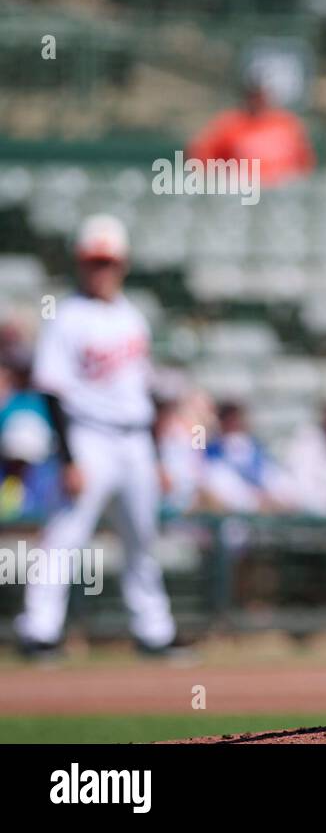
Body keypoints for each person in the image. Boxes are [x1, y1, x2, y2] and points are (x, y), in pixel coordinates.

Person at [15, 215, 182, 658]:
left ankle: (154, 632)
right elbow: (51, 392)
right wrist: (68, 458)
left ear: (122, 264)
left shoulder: (133, 317)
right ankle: (39, 631)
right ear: (80, 263)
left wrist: (158, 456)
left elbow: (142, 392)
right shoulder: (67, 316)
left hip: (134, 440)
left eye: (108, 262)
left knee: (142, 539)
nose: (101, 270)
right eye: (94, 262)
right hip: (87, 437)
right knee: (63, 536)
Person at [186, 74, 315, 189]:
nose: (257, 99)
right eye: (253, 94)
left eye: (260, 94)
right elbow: (198, 159)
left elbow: (305, 166)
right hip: (245, 191)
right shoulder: (229, 125)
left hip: (282, 191)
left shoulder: (287, 125)